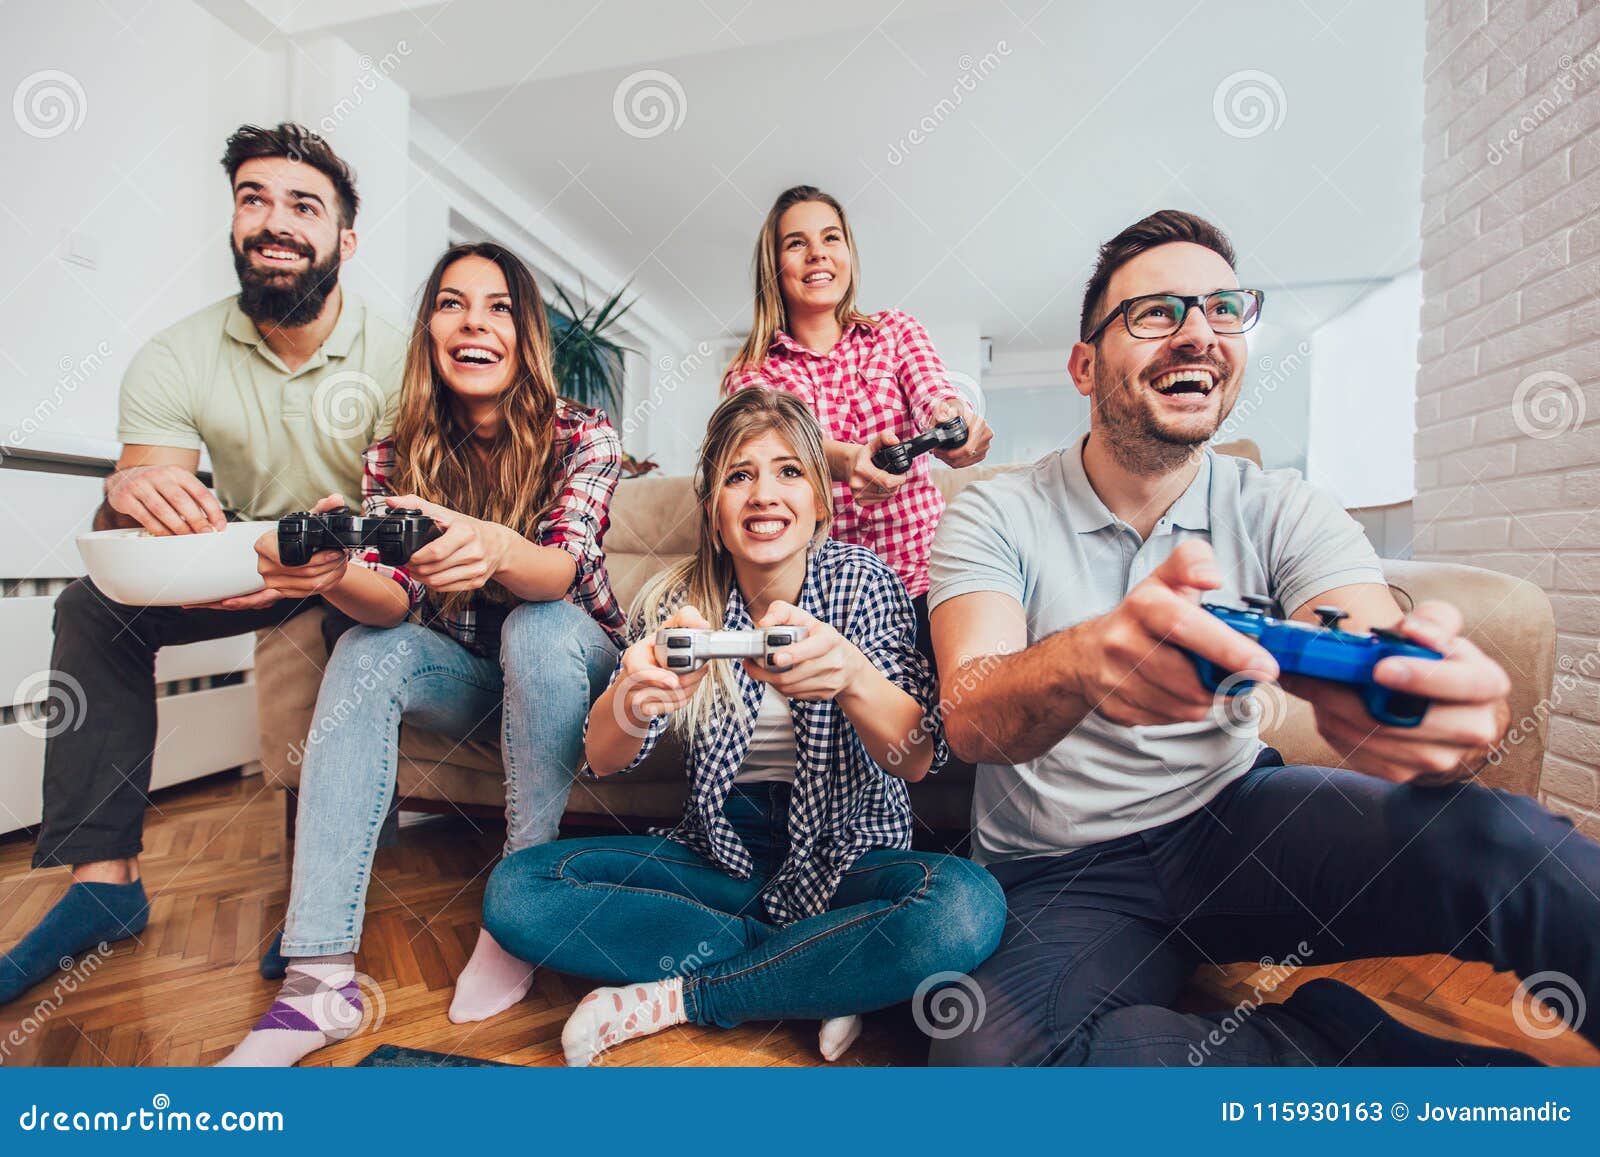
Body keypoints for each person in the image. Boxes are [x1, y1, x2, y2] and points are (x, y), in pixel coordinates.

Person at [926, 209, 1600, 1066]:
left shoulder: (1280, 505)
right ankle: (1334, 1045)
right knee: (985, 1063)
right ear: (1084, 365)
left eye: (1222, 309)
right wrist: (1090, 659)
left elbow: (1366, 629)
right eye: (1157, 312)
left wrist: (1411, 704)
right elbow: (971, 713)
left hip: (1237, 821)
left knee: (1507, 845)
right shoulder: (996, 509)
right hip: (1065, 874)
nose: (1198, 333)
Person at [0, 124, 406, 1008]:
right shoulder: (177, 356)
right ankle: (104, 886)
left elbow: (403, 529)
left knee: (364, 630)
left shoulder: (399, 358)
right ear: (233, 223)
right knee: (91, 607)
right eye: (253, 199)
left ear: (345, 237)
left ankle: (319, 897)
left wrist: (333, 567)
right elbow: (141, 530)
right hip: (241, 563)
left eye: (304, 205)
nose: (275, 221)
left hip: (361, 571)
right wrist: (129, 495)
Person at [482, 388, 1005, 1066]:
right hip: (722, 853)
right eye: (739, 475)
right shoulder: (679, 601)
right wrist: (631, 702)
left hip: (850, 855)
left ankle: (682, 995)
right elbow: (603, 761)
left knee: (966, 906)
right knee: (517, 890)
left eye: (789, 471)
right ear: (714, 513)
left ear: (822, 499)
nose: (764, 493)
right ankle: (829, 968)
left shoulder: (865, 583)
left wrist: (849, 674)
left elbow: (916, 755)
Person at [219, 242, 625, 1066]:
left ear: (527, 335)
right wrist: (332, 575)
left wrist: (494, 547)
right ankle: (317, 983)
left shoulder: (582, 436)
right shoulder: (396, 451)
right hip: (472, 677)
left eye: (498, 306)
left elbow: (564, 571)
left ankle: (519, 917)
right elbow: (393, 596)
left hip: (570, 666)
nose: (473, 321)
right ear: (429, 329)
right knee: (368, 645)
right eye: (450, 303)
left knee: (535, 625)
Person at [723, 185, 994, 658]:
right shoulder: (751, 374)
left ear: (848, 252)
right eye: (796, 243)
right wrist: (848, 461)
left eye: (831, 238)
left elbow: (933, 393)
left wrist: (952, 421)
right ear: (774, 265)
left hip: (927, 580)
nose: (817, 255)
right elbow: (780, 443)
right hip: (828, 596)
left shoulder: (895, 332)